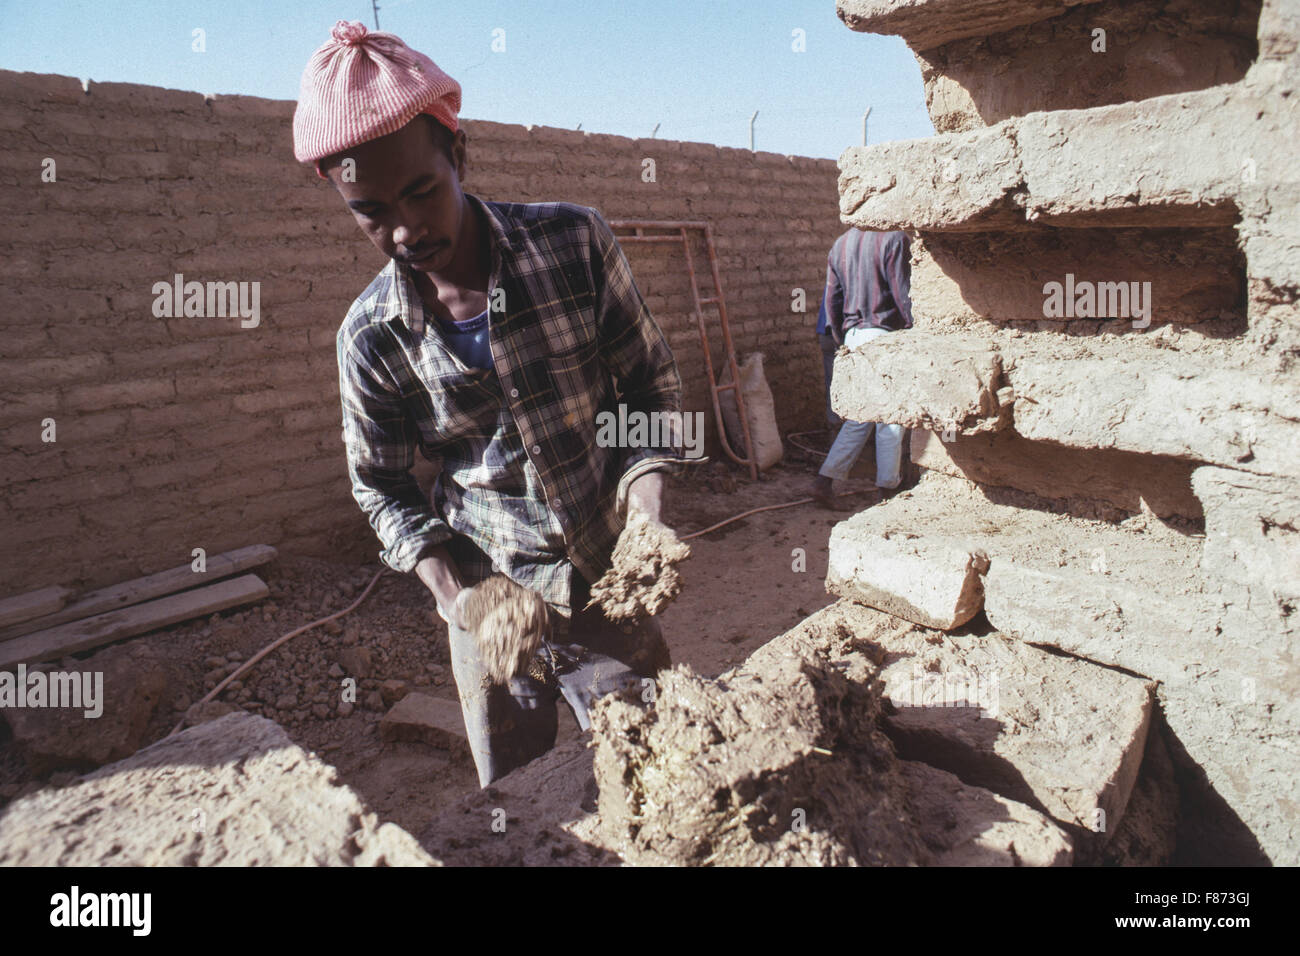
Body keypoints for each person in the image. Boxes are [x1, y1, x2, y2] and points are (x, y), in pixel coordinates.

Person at [292, 21, 685, 786]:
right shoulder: (371, 338)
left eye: (420, 191)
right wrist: (462, 601)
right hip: (491, 600)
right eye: (370, 210)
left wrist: (647, 516)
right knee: (518, 805)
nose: (404, 228)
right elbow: (381, 488)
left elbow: (649, 389)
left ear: (457, 155)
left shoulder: (574, 244)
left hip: (610, 578)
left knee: (663, 769)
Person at [811, 228, 913, 508]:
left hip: (854, 335)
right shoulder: (895, 239)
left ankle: (825, 480)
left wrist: (842, 339)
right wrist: (914, 331)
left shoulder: (841, 243)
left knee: (860, 417)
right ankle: (888, 489)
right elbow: (902, 292)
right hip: (885, 335)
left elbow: (832, 298)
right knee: (891, 418)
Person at [815, 288, 842, 429]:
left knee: (833, 387)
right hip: (839, 335)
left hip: (827, 332)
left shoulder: (837, 267)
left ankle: (835, 438)